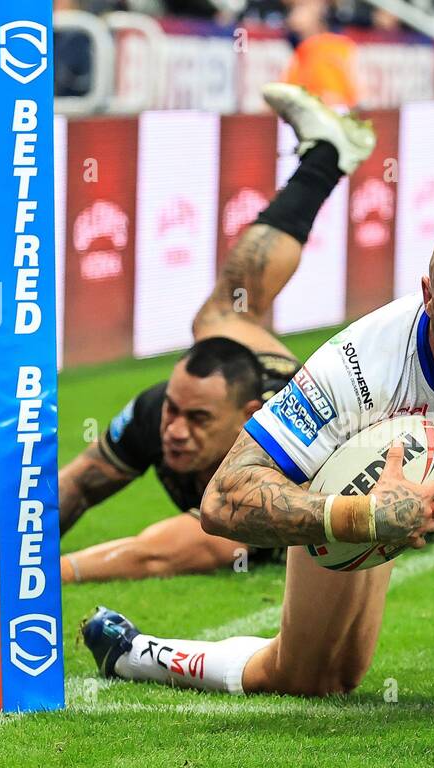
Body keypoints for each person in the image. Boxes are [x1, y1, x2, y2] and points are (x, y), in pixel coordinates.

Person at [82, 215, 434, 765]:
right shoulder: (359, 362)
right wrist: (361, 516)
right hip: (386, 474)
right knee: (313, 678)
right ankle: (137, 654)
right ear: (428, 296)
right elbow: (222, 499)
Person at [56, 83, 374, 582]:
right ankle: (325, 158)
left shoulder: (285, 459)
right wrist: (8, 559)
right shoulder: (160, 413)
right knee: (219, 316)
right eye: (174, 411)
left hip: (379, 457)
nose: (175, 431)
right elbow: (77, 484)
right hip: (280, 386)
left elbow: (156, 554)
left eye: (198, 419)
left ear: (250, 418)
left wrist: (39, 580)